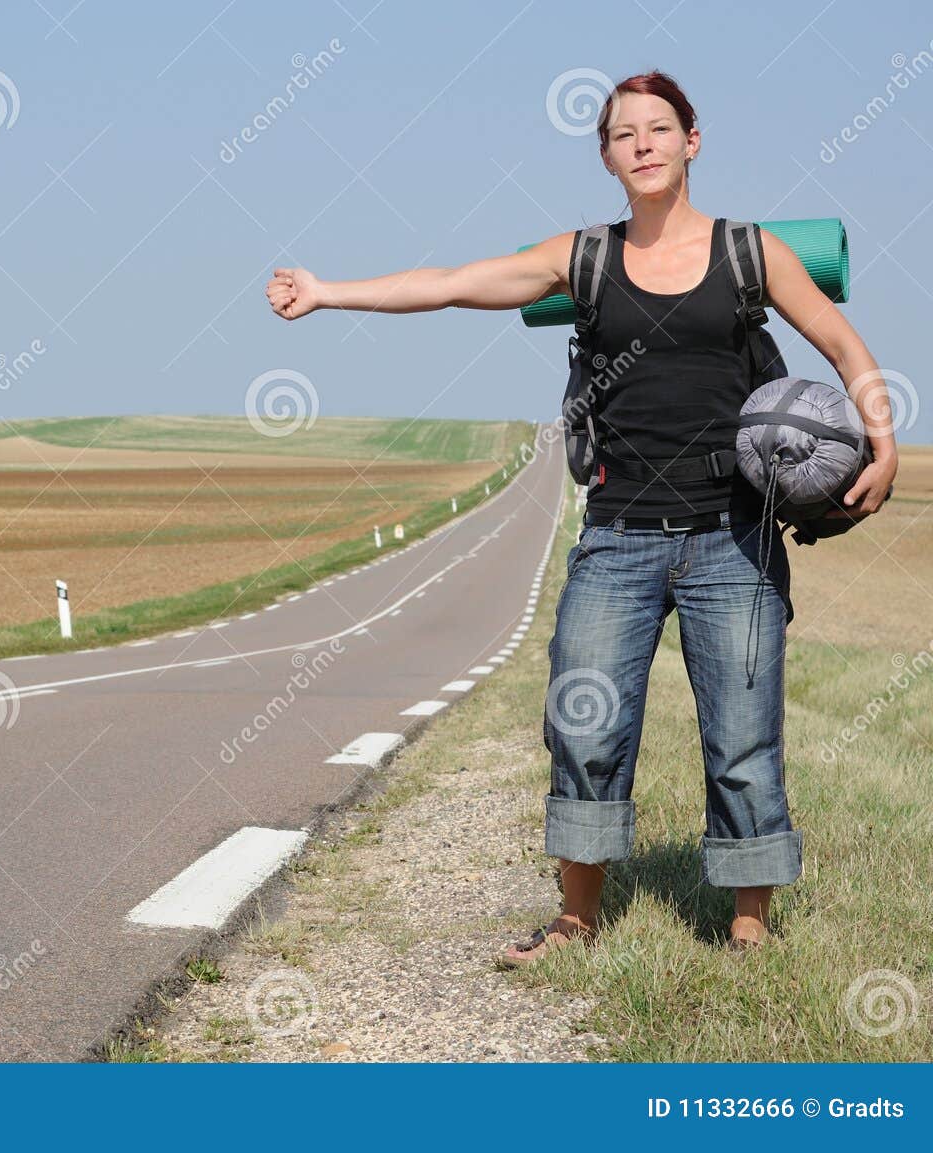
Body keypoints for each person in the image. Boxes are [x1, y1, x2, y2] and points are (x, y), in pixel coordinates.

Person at [264, 70, 898, 959]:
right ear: (606, 155)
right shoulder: (583, 258)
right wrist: (330, 291)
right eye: (623, 133)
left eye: (659, 128)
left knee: (743, 732)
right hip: (618, 534)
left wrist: (884, 435)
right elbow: (451, 283)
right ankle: (576, 920)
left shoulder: (751, 255)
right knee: (585, 722)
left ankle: (749, 927)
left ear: (692, 142)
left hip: (734, 536)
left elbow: (840, 341)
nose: (642, 143)